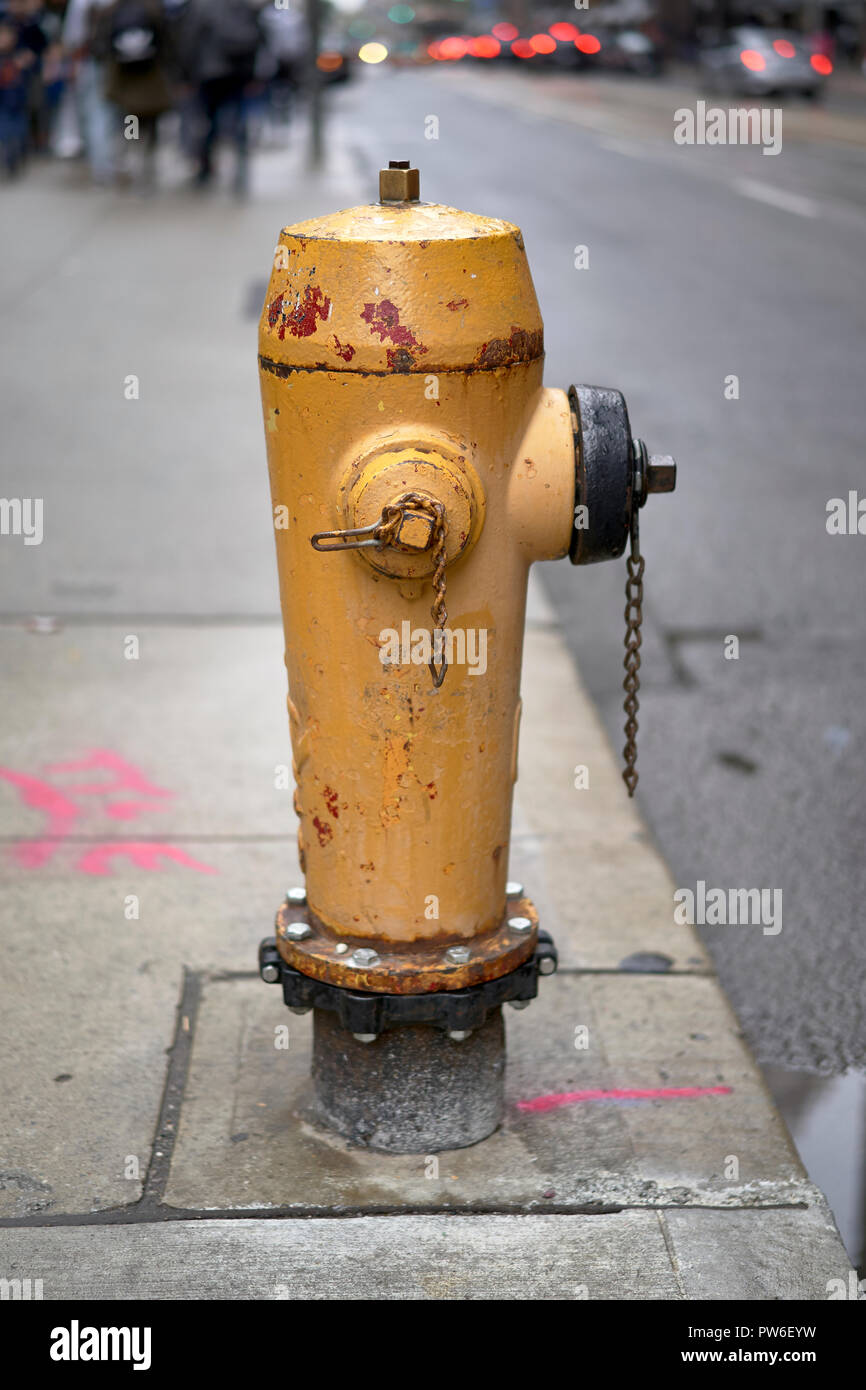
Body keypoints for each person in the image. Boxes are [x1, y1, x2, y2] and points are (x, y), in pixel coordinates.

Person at [178, 0, 266, 196]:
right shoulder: (243, 6)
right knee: (238, 120)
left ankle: (206, 169)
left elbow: (189, 41)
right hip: (239, 73)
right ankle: (240, 168)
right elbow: (259, 39)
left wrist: (185, 76)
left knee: (207, 122)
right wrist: (253, 75)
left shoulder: (200, 6)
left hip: (208, 74)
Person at [89, 0, 174, 187]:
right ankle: (147, 165)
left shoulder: (112, 10)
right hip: (151, 78)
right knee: (151, 124)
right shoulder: (154, 9)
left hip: (124, 79)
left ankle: (133, 162)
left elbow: (99, 46)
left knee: (131, 122)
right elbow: (168, 43)